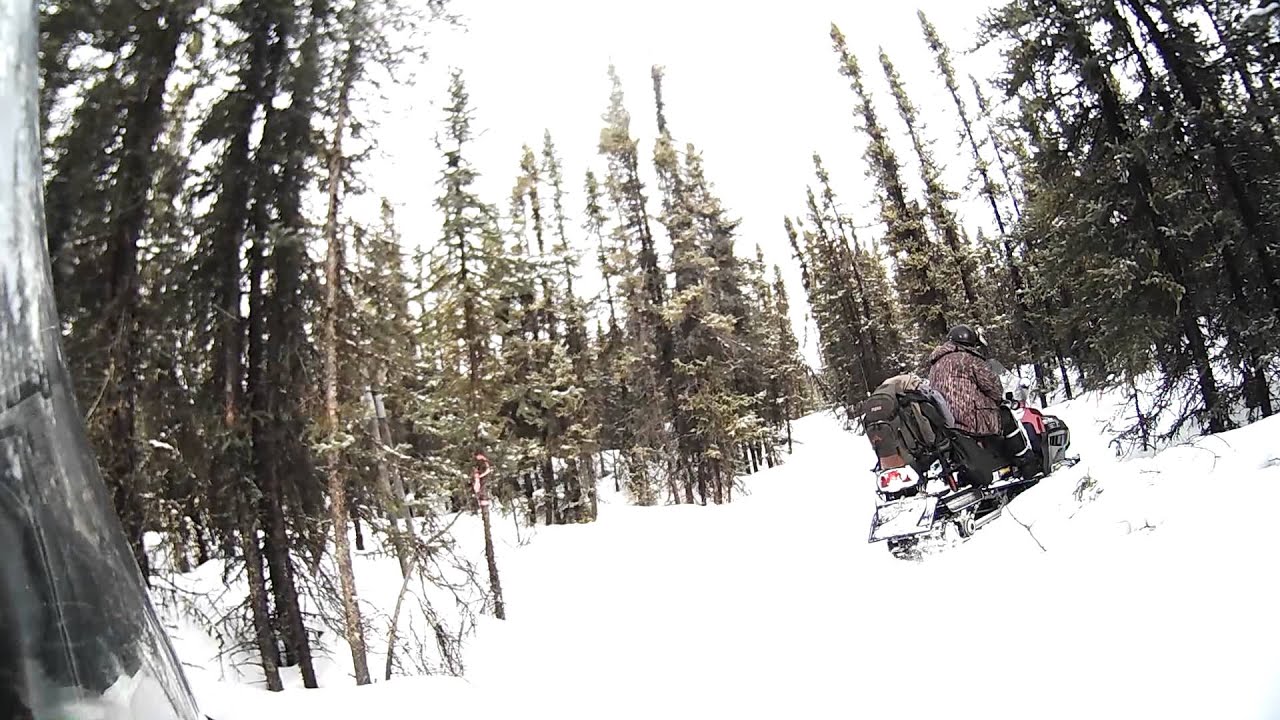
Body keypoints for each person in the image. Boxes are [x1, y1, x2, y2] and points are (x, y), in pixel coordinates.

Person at [926, 324, 1003, 437]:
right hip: (973, 423)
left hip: (946, 423)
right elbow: (995, 389)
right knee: (1006, 419)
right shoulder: (970, 360)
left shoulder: (935, 364)